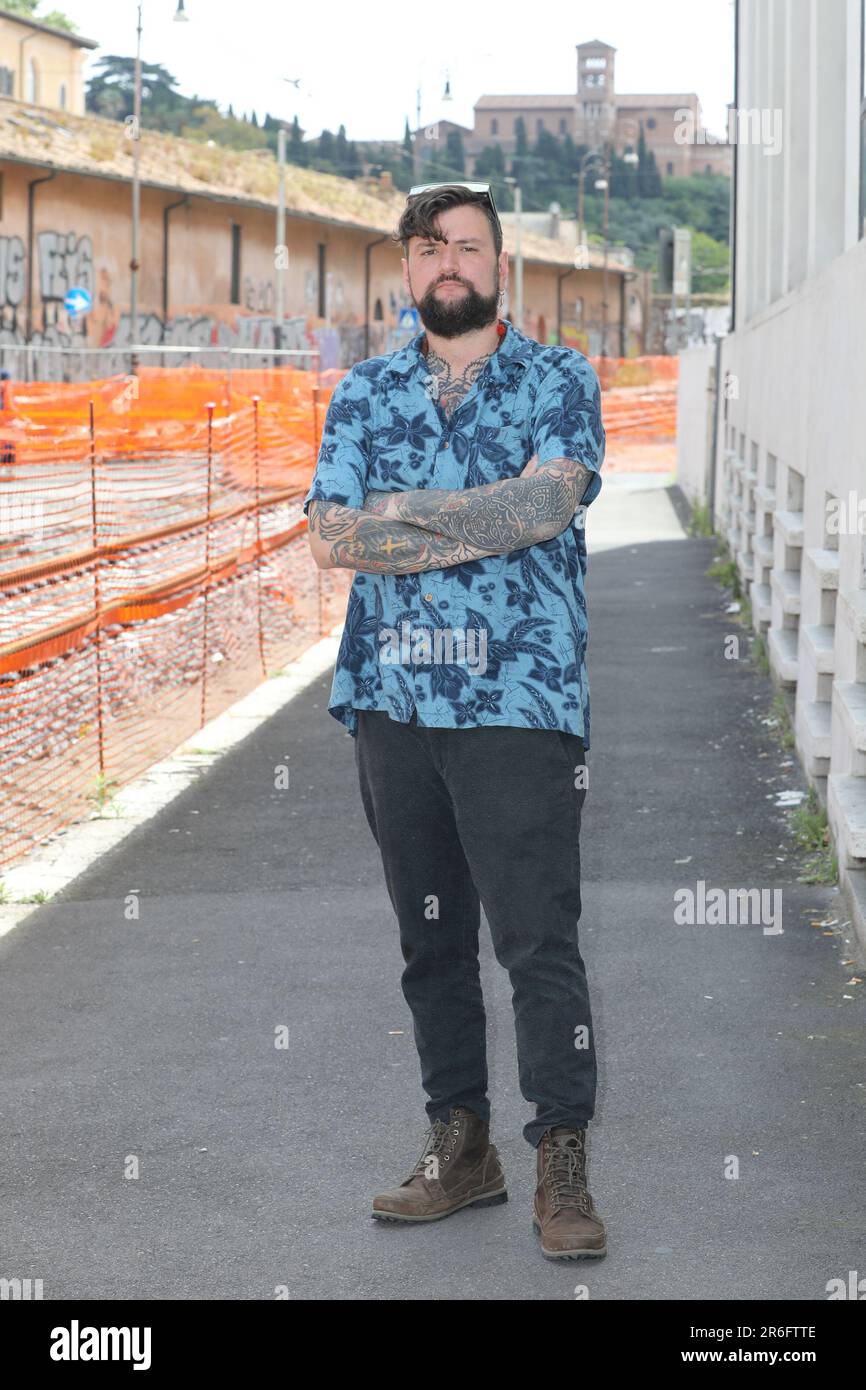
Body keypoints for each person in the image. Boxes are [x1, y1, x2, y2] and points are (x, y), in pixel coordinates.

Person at [303, 182, 606, 1261]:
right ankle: (460, 1146)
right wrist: (478, 519)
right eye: (429, 248)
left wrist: (399, 515)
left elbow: (548, 503)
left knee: (536, 939)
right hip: (393, 702)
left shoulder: (559, 377)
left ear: (498, 267)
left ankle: (560, 1158)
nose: (448, 264)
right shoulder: (364, 391)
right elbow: (329, 536)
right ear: (406, 269)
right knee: (429, 942)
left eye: (467, 247)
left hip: (517, 701)